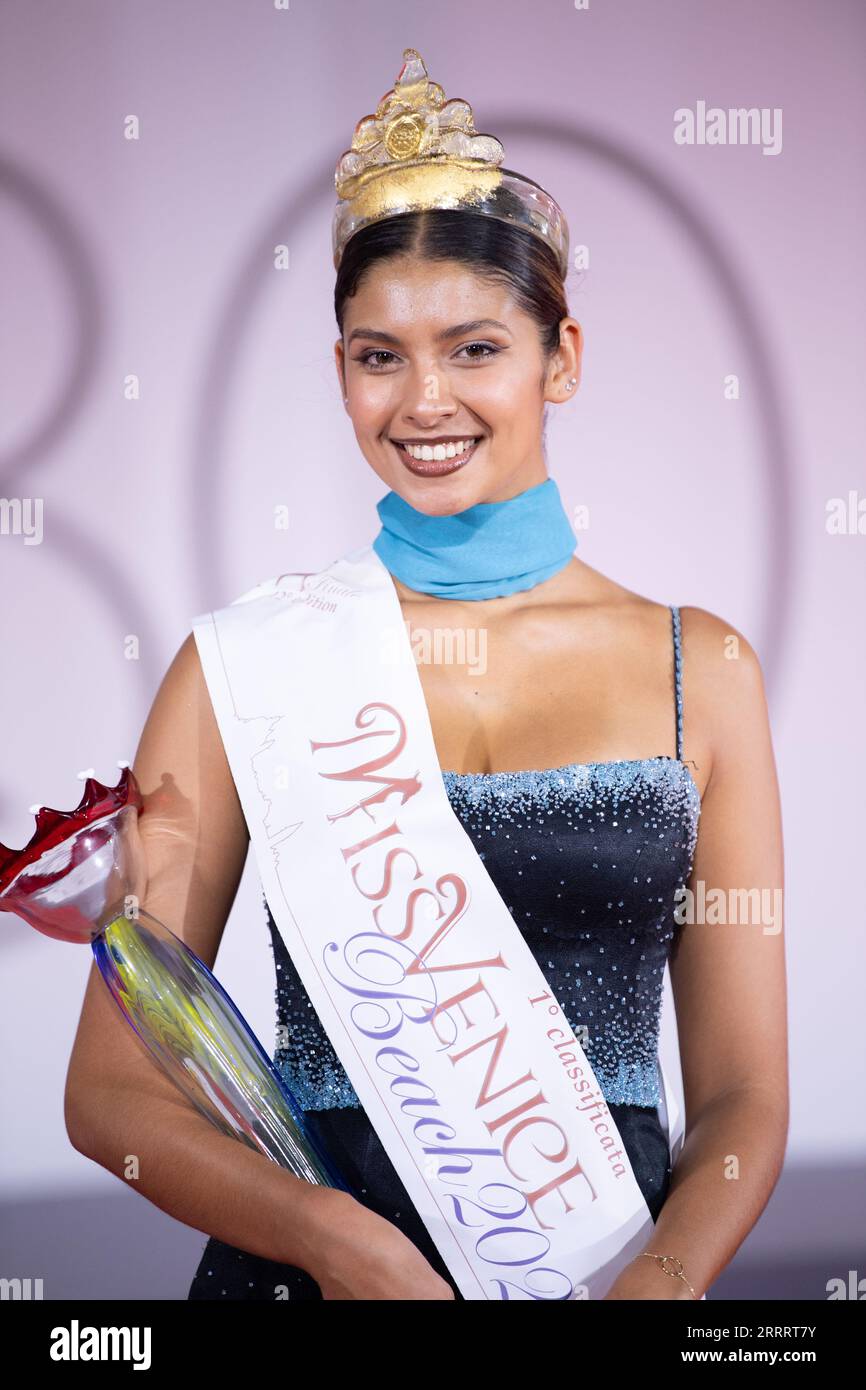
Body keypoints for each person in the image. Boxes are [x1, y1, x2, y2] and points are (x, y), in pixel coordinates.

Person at [64, 49, 788, 1303]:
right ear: (339, 371)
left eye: (473, 348)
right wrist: (335, 1241)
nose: (424, 400)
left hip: (600, 1275)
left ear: (560, 357)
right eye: (376, 355)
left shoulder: (699, 668)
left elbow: (741, 1096)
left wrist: (662, 1281)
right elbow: (109, 1091)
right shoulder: (242, 667)